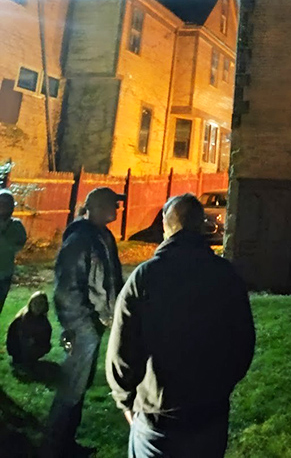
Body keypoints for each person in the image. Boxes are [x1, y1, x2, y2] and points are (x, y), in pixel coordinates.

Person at [106, 193, 255, 458]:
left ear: (165, 225)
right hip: (209, 414)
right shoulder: (226, 275)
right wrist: (222, 387)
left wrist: (126, 401)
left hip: (158, 417)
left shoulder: (145, 278)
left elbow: (122, 349)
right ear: (201, 225)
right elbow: (243, 343)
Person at [42, 187, 124, 458]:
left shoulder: (102, 236)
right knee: (72, 385)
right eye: (114, 204)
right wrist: (82, 324)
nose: (118, 208)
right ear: (98, 207)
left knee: (80, 384)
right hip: (81, 326)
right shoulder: (79, 239)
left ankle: (66, 443)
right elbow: (67, 289)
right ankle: (55, 447)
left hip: (92, 324)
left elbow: (109, 279)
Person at [0, 189, 28, 315]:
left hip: (4, 274)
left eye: (6, 204)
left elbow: (17, 244)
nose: (3, 207)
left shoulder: (16, 225)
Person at [7, 290, 52, 366]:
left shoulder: (42, 319)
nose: (38, 306)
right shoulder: (24, 318)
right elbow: (22, 340)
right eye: (35, 303)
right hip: (19, 349)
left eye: (41, 303)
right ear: (30, 303)